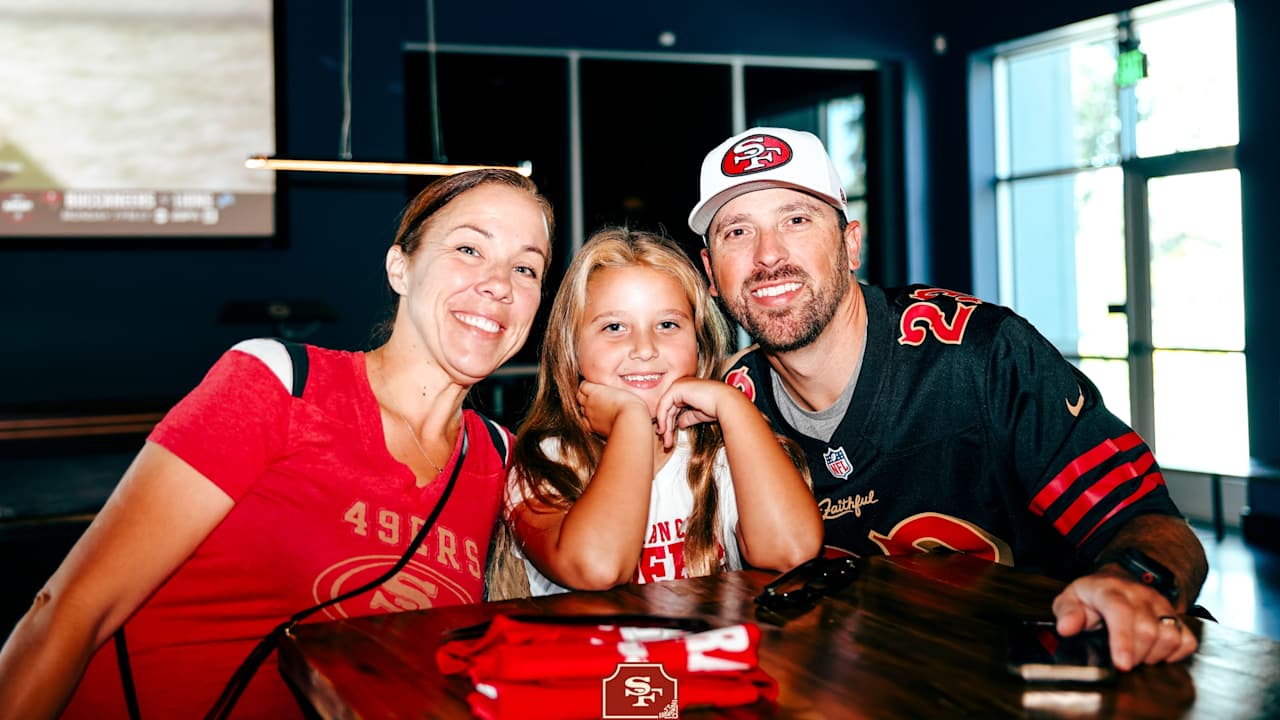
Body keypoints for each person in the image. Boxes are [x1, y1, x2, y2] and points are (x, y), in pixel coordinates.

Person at [0, 168, 555, 719]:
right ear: (400, 267)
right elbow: (69, 612)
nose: (499, 283)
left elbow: (601, 570)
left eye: (526, 267)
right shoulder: (278, 386)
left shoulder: (499, 460)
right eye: (468, 248)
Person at [688, 127, 1209, 671]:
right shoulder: (729, 407)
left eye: (796, 220)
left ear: (850, 245)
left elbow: (1156, 525)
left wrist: (1129, 582)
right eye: (737, 231)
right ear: (711, 275)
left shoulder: (981, 355)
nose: (768, 255)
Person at [498, 227, 822, 597]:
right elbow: (598, 566)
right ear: (571, 349)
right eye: (614, 327)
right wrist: (630, 423)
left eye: (667, 325)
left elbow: (792, 552)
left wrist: (733, 406)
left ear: (699, 344)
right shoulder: (545, 463)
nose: (644, 348)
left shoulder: (721, 455)